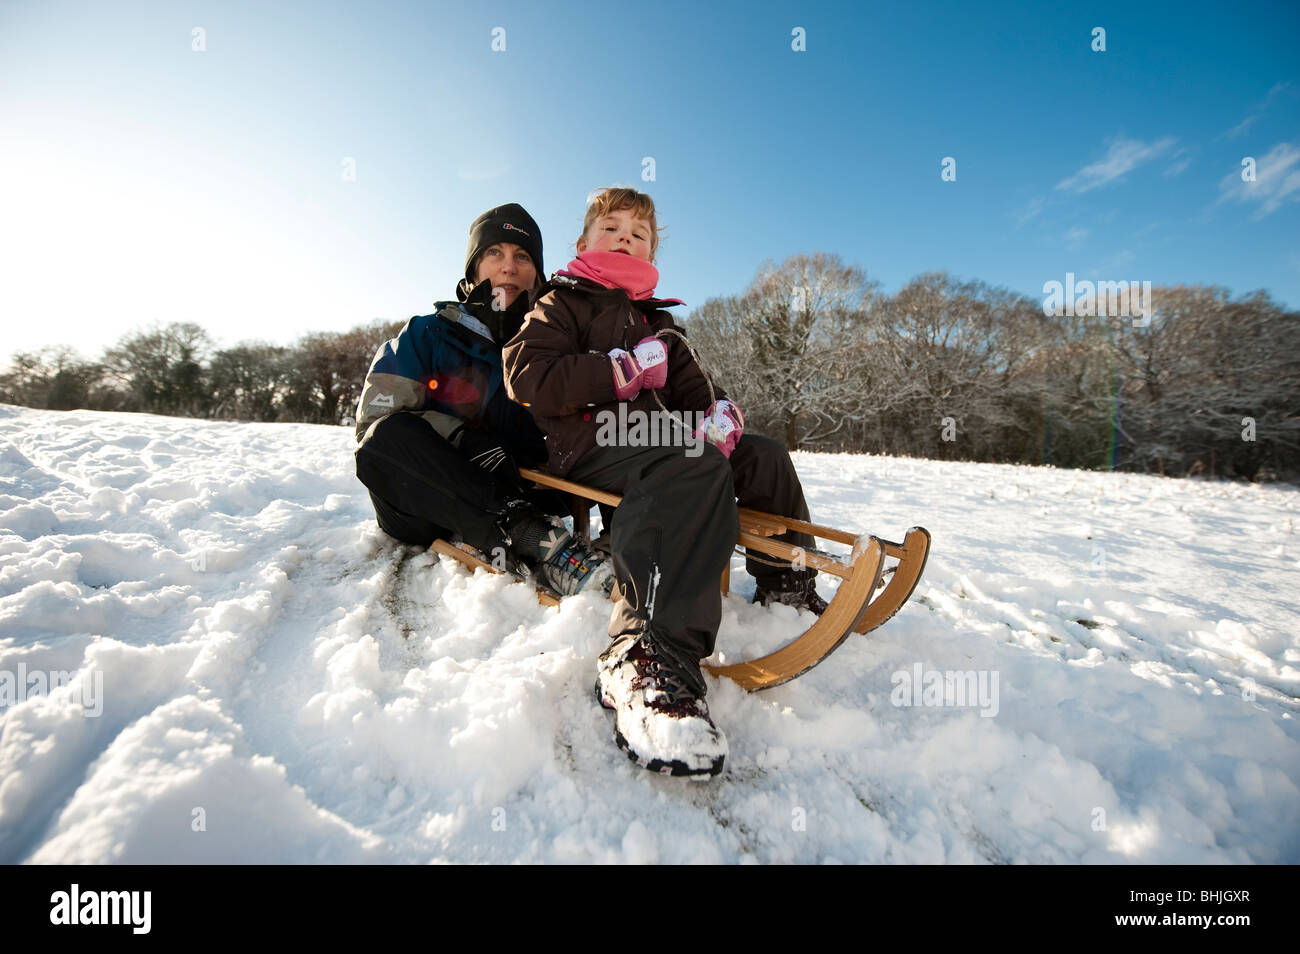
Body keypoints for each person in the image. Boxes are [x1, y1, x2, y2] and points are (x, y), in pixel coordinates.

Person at [502, 187, 826, 778]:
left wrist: (721, 415)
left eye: (639, 233)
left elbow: (699, 392)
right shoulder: (561, 303)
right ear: (582, 243)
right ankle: (648, 653)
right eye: (612, 228)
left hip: (660, 438)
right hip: (588, 439)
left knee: (762, 457)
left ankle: (788, 586)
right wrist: (616, 372)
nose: (626, 237)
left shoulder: (659, 324)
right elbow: (526, 376)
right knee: (689, 458)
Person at [354, 202, 610, 597]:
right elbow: (374, 418)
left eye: (522, 256)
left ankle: (542, 537)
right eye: (494, 253)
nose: (508, 267)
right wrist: (464, 440)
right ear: (474, 268)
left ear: (537, 274)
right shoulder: (426, 334)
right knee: (382, 440)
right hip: (423, 502)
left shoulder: (553, 344)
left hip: (525, 488)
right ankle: (528, 535)